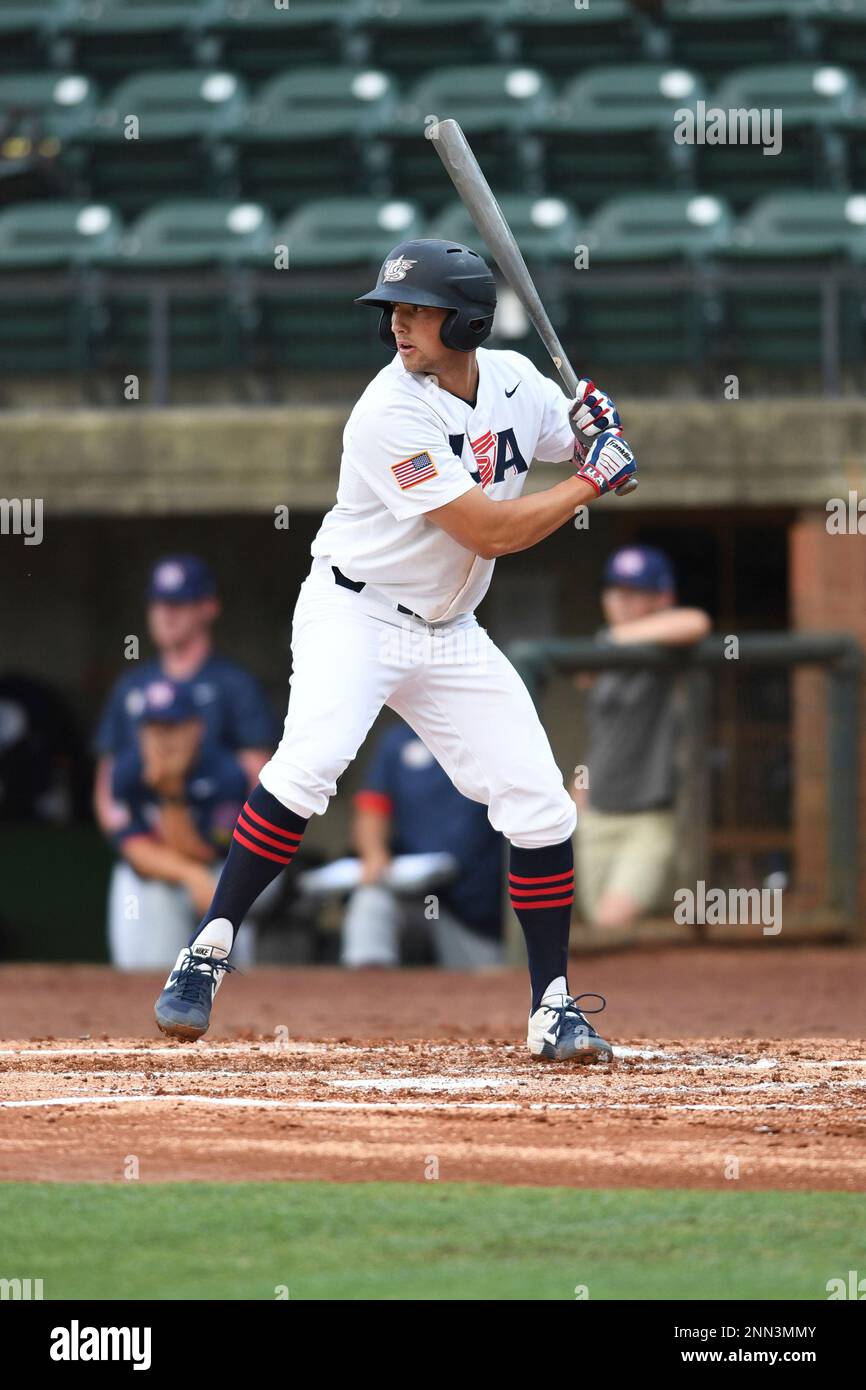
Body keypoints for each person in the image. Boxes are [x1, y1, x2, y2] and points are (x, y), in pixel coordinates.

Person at [154, 237, 638, 1061]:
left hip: (450, 631)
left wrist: (597, 428)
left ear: (470, 320)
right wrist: (595, 480)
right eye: (394, 312)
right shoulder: (389, 412)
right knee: (310, 766)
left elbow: (572, 436)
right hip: (358, 614)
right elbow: (488, 531)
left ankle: (553, 1005)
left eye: (417, 311)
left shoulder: (517, 380)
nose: (400, 327)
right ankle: (207, 950)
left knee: (540, 804)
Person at [574, 545, 711, 936]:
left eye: (633, 593)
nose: (620, 602)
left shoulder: (660, 642)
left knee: (612, 921)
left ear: (661, 598)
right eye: (614, 591)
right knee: (598, 928)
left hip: (650, 814)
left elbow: (695, 623)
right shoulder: (607, 647)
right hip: (598, 811)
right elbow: (605, 734)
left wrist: (615, 637)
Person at [94, 553, 277, 837]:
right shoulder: (131, 685)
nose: (165, 614)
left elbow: (260, 788)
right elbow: (108, 794)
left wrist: (217, 850)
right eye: (158, 603)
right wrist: (150, 853)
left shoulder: (236, 684)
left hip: (221, 851)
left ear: (209, 607)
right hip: (143, 853)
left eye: (178, 603)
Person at [107, 678, 263, 969]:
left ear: (197, 729)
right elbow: (132, 848)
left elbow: (207, 854)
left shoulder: (226, 772)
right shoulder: (127, 769)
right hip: (158, 870)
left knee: (222, 884)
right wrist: (187, 873)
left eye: (172, 727)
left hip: (216, 869)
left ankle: (230, 979)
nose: (162, 739)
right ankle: (145, 981)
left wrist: (171, 793)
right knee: (149, 888)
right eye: (152, 728)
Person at [342, 720, 504, 969]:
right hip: (412, 892)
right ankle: (365, 998)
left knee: (486, 985)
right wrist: (374, 853)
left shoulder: (490, 737)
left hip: (472, 903)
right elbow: (372, 807)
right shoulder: (398, 739)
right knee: (371, 900)